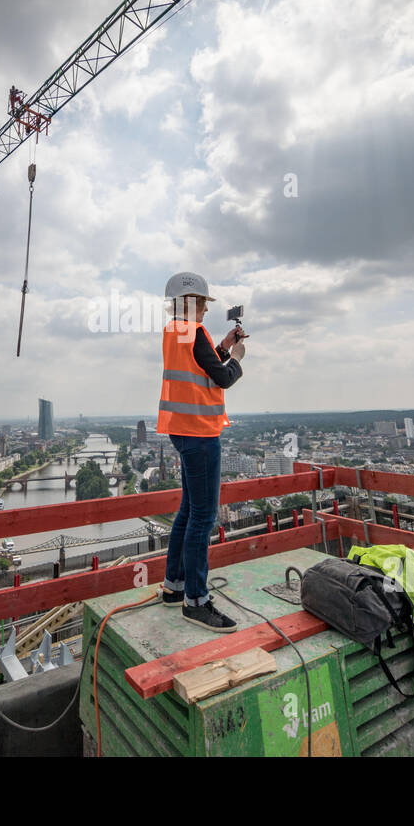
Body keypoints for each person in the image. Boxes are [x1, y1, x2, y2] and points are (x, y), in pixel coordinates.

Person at [155, 271, 246, 632]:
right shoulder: (193, 332)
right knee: (204, 517)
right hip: (201, 435)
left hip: (180, 430)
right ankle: (197, 601)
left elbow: (202, 365)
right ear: (192, 302)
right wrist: (237, 357)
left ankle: (174, 587)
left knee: (188, 510)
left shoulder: (175, 333)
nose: (207, 311)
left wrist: (222, 347)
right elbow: (221, 378)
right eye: (204, 304)